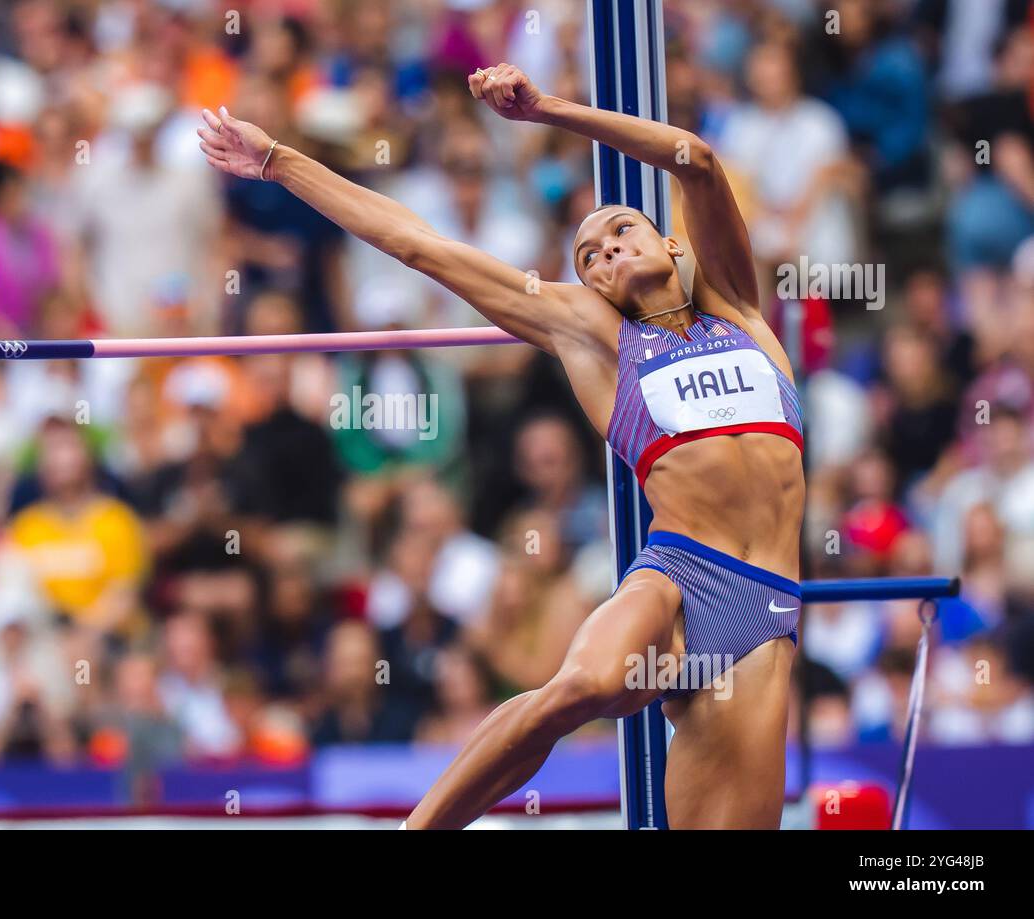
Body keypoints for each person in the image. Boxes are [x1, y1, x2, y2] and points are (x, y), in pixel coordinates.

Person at [229, 60, 808, 828]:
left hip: (762, 605)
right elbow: (420, 246)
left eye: (620, 231)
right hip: (681, 568)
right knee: (578, 687)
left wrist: (548, 111)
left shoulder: (739, 309)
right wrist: (281, 161)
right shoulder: (596, 335)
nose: (603, 253)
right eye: (588, 257)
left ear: (673, 245)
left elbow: (692, 158)